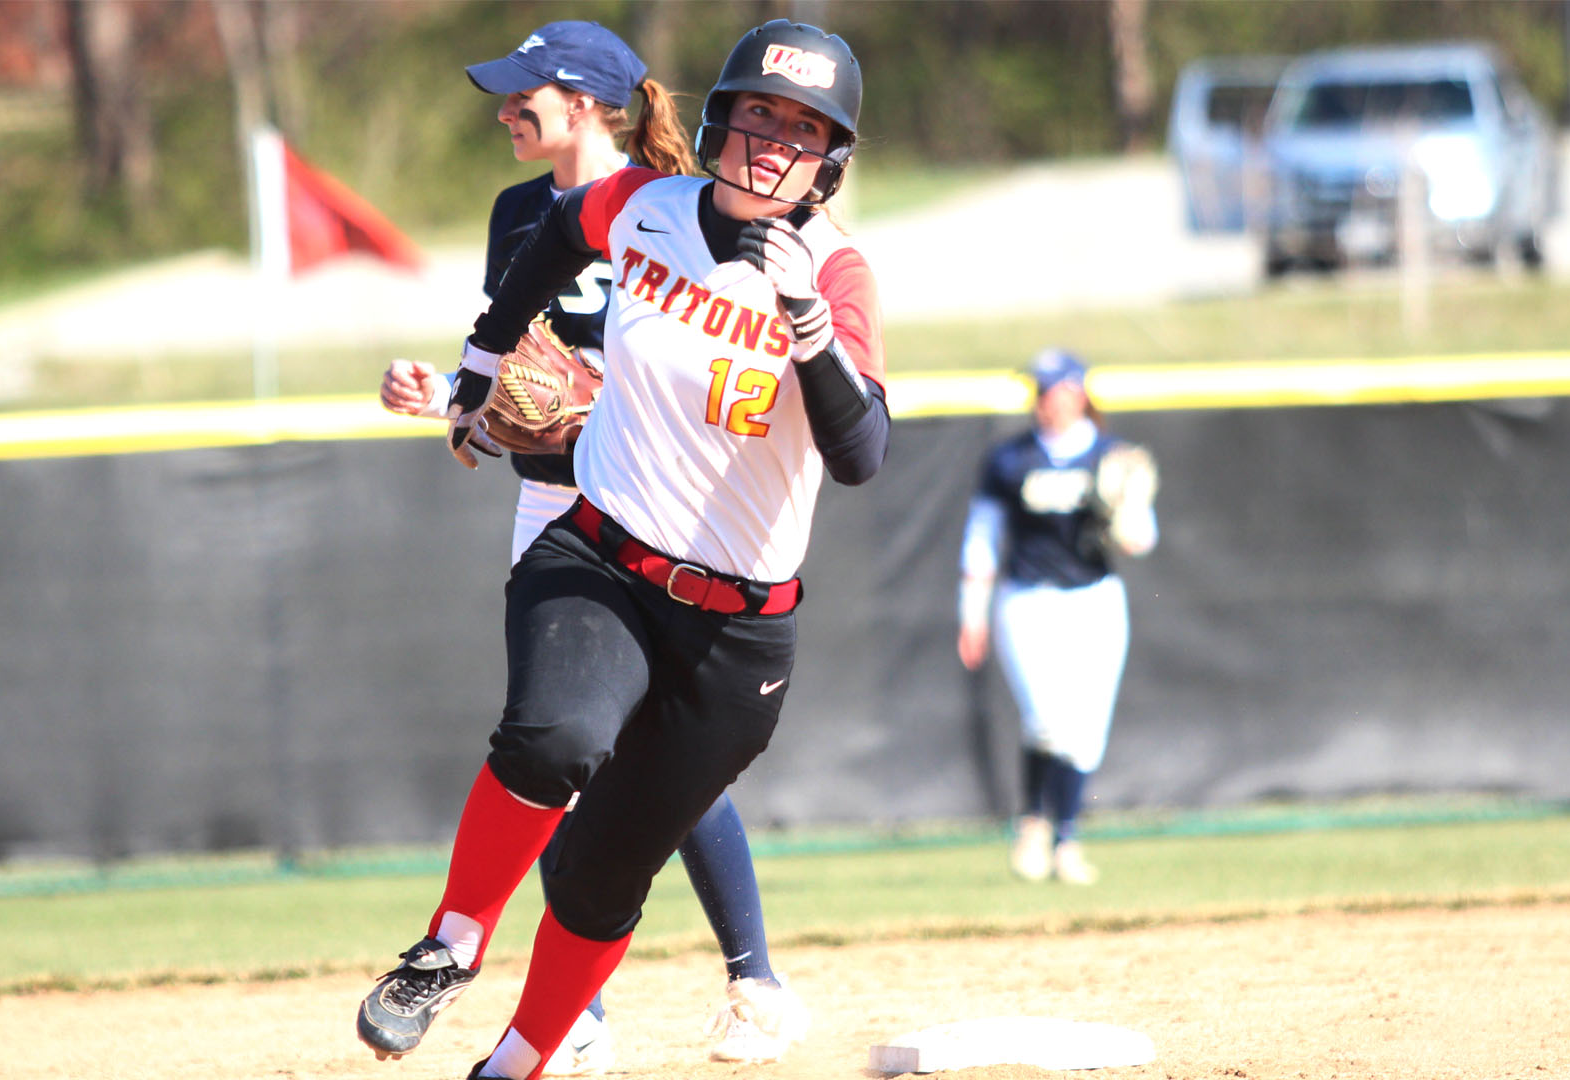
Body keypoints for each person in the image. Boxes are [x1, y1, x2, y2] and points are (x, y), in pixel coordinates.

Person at [358, 19, 889, 1080]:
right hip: (597, 551)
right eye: (757, 110)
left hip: (736, 632)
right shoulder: (645, 208)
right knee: (553, 740)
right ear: (718, 115)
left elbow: (862, 452)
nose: (772, 138)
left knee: (602, 880)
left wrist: (812, 334)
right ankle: (450, 943)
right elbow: (553, 240)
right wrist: (476, 371)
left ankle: (518, 1062)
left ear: (832, 156)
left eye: (802, 125)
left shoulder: (834, 271)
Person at [955, 349, 1156, 887]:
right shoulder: (1009, 459)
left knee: (1086, 731)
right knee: (1047, 720)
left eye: (1051, 389)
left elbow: (1142, 536)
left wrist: (1127, 521)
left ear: (1078, 392)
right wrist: (970, 614)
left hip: (1095, 599)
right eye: (1038, 391)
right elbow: (982, 539)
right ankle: (1034, 823)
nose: (1043, 401)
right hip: (1027, 600)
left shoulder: (1113, 457)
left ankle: (1065, 838)